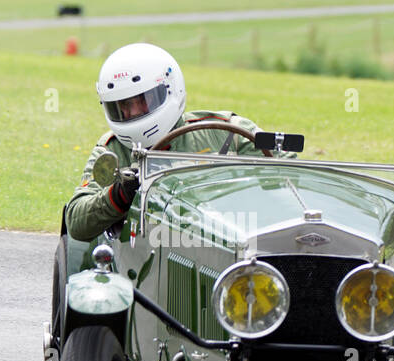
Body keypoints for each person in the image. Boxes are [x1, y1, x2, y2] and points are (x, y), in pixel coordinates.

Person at [65, 42, 285, 241]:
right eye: (122, 106)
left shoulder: (228, 131)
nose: (132, 112)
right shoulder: (112, 149)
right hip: (147, 256)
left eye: (142, 101)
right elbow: (76, 222)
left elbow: (288, 173)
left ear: (171, 90)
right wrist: (120, 193)